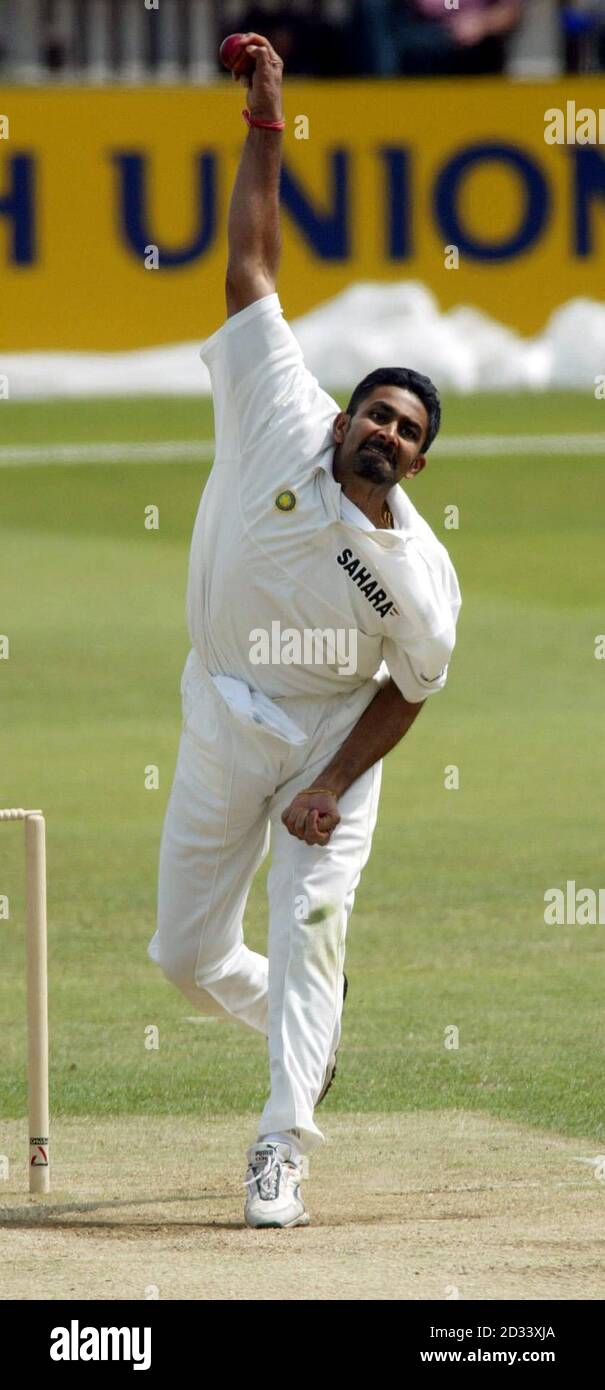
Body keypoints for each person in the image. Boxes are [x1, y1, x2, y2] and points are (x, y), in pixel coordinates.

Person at [148, 32, 461, 1229]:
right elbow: (250, 263)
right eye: (374, 411)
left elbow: (414, 683)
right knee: (183, 958)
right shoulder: (279, 411)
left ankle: (282, 1142)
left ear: (419, 460)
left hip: (331, 745)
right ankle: (298, 1021)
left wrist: (332, 781)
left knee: (314, 932)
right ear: (341, 418)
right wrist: (266, 123)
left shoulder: (418, 573)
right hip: (223, 715)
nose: (383, 432)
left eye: (406, 430)